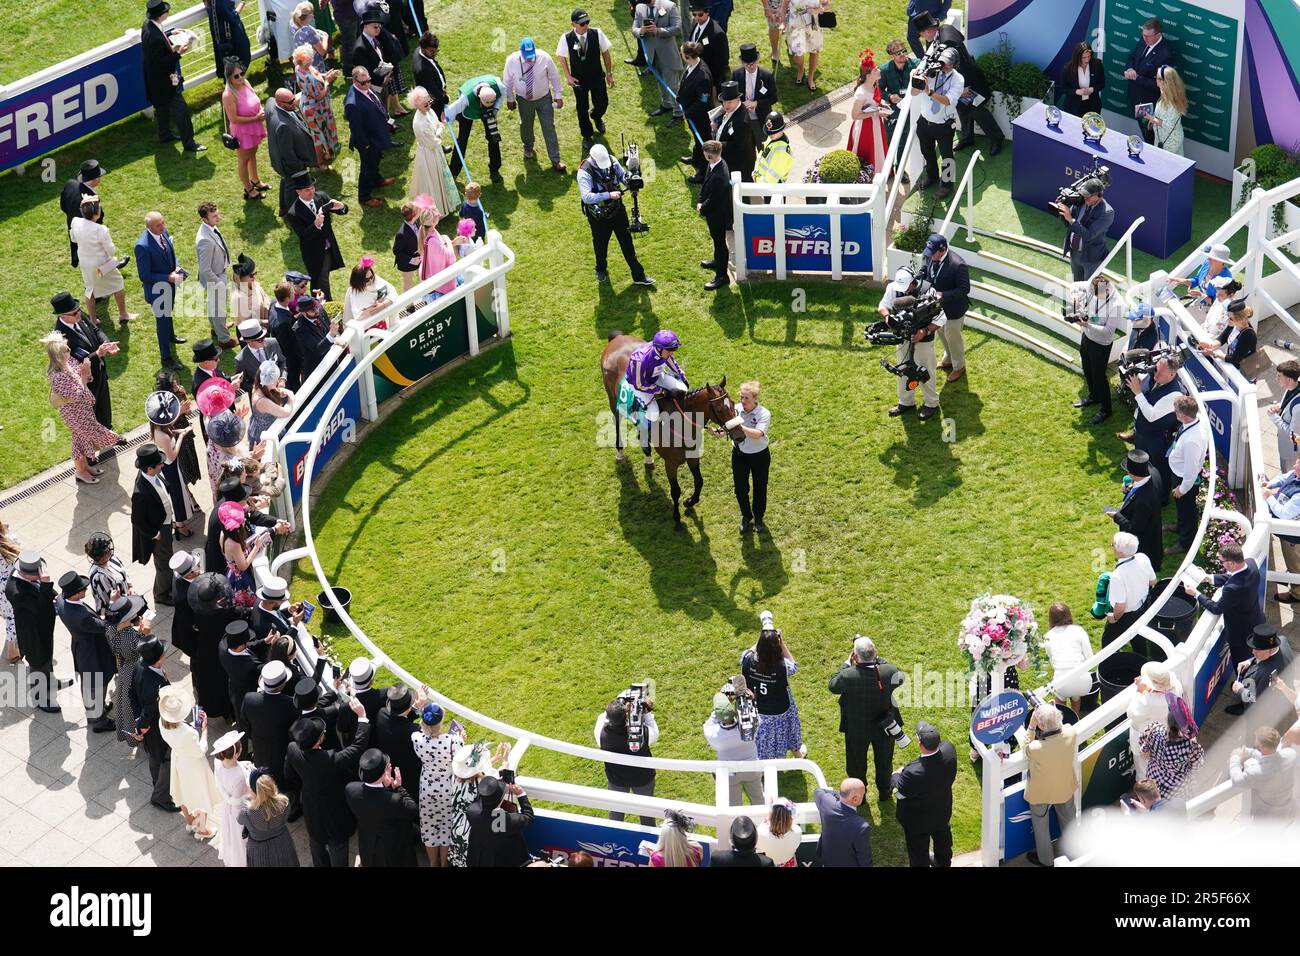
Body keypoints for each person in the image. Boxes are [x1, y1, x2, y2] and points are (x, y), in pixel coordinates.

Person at [286, 695, 370, 867]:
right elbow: (357, 748)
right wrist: (362, 718)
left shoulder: (292, 748)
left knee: (316, 844)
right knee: (338, 847)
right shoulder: (329, 759)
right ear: (318, 741)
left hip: (311, 808)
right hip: (334, 813)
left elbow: (289, 775)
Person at [828, 635, 905, 798]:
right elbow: (901, 677)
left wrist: (847, 663)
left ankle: (858, 797)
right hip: (885, 726)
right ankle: (885, 792)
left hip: (857, 729)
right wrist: (877, 659)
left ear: (855, 656)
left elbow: (833, 685)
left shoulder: (847, 675)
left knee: (856, 764)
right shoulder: (889, 671)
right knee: (884, 761)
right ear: (875, 653)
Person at [43, 332, 121, 485]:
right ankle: (81, 470)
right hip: (73, 412)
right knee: (83, 437)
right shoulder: (57, 376)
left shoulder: (68, 361)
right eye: (66, 350)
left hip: (83, 408)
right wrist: (84, 378)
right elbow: (77, 394)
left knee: (79, 439)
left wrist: (86, 371)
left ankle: (83, 469)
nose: (70, 351)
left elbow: (79, 372)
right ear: (59, 356)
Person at [578, 145, 655, 286]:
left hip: (618, 210)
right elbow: (587, 197)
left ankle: (639, 275)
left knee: (627, 243)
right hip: (599, 216)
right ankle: (600, 269)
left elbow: (621, 176)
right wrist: (609, 195)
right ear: (593, 159)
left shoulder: (612, 160)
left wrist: (631, 183)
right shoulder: (584, 172)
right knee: (600, 244)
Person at [1184, 543, 1263, 669]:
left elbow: (1216, 608)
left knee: (1241, 664)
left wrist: (1196, 594)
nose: (1221, 564)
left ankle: (1241, 685)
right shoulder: (1251, 563)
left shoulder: (1232, 589)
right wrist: (1209, 578)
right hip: (1254, 620)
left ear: (1231, 563)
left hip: (1240, 633)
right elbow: (1233, 576)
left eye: (1222, 562)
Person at [159, 684, 223, 839]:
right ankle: (201, 830)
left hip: (178, 759)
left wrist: (193, 728)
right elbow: (201, 749)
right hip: (193, 764)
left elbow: (182, 734)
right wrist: (205, 730)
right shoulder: (187, 733)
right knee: (201, 794)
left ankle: (189, 821)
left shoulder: (161, 723)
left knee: (183, 792)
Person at [891, 721, 957, 867]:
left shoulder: (913, 772)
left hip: (917, 821)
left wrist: (896, 774)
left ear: (920, 744)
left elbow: (901, 787)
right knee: (943, 842)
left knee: (918, 853)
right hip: (942, 811)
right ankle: (943, 862)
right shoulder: (949, 750)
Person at [1120, 353, 1185, 505]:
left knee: (1159, 469)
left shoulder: (1175, 393)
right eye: (1155, 369)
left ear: (1172, 374)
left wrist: (1137, 392)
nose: (1155, 375)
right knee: (1140, 463)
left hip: (1158, 438)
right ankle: (1141, 489)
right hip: (1142, 432)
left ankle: (1161, 499)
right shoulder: (1153, 375)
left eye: (1160, 373)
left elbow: (1151, 415)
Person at [141, 0, 204, 151]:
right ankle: (189, 143)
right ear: (161, 15)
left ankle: (165, 135)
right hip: (165, 81)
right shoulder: (155, 36)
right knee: (181, 111)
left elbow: (159, 42)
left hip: (155, 81)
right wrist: (178, 53)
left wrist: (170, 33)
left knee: (162, 107)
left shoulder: (147, 26)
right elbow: (162, 61)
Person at [880, 265, 942, 420]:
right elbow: (883, 306)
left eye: (906, 286)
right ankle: (906, 402)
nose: (904, 290)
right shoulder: (893, 288)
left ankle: (931, 403)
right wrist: (889, 318)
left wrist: (924, 332)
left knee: (926, 371)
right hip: (903, 338)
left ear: (914, 282)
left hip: (924, 339)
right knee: (902, 369)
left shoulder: (930, 291)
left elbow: (942, 318)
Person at [51, 289, 118, 431]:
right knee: (92, 410)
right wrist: (98, 353)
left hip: (100, 370)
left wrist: (106, 343)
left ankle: (108, 430)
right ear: (62, 316)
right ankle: (96, 439)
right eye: (74, 313)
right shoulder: (60, 338)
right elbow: (73, 363)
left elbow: (96, 330)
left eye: (79, 309)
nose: (79, 314)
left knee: (104, 404)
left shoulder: (79, 316)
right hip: (85, 380)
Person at [502, 37, 568, 174]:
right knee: (526, 125)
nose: (529, 58)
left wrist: (558, 96)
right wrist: (510, 98)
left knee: (549, 127)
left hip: (544, 98)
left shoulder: (544, 57)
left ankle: (555, 159)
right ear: (520, 51)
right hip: (524, 100)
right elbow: (507, 82)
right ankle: (528, 147)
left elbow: (555, 77)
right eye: (526, 56)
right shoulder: (512, 61)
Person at [345, 748, 421, 866]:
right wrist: (397, 787)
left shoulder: (350, 789)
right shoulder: (393, 800)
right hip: (393, 852)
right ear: (384, 774)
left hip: (368, 847)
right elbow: (412, 809)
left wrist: (384, 784)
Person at [1024, 703, 1077, 866]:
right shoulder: (1071, 732)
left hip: (1041, 793)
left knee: (1041, 827)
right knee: (1069, 822)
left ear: (1041, 725)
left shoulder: (1035, 748)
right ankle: (1074, 854)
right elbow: (1061, 727)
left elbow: (1025, 747)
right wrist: (1051, 713)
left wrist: (1032, 726)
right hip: (1065, 787)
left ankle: (1046, 861)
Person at [409, 701, 461, 866]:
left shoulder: (417, 739)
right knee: (446, 826)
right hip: (447, 788)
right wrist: (461, 737)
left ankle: (433, 864)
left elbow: (418, 730)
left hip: (427, 788)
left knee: (429, 827)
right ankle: (443, 863)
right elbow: (460, 763)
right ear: (441, 722)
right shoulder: (454, 741)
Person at [7, 552, 61, 712]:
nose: (40, 576)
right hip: (33, 635)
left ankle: (50, 681)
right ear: (24, 573)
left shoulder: (26, 575)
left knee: (48, 657)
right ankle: (40, 698)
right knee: (39, 663)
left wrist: (53, 593)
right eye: (37, 574)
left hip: (42, 628)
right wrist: (45, 584)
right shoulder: (16, 592)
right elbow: (40, 609)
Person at [1068, 275, 1125, 425]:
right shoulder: (1094, 287)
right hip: (1087, 338)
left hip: (1101, 345)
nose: (1093, 297)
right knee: (1087, 369)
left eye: (1097, 295)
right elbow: (1074, 285)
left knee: (1099, 377)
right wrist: (1074, 297)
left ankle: (1106, 409)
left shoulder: (1117, 304)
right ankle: (1094, 396)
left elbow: (1108, 332)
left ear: (1107, 290)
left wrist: (1087, 325)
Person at [69, 199, 135, 328]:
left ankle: (93, 320)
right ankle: (123, 314)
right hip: (102, 265)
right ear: (97, 213)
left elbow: (73, 238)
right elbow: (111, 251)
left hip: (85, 263)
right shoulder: (101, 230)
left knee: (90, 289)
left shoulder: (75, 222)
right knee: (118, 283)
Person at [594, 696, 658, 826]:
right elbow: (654, 731)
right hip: (642, 779)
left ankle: (614, 839)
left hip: (616, 780)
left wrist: (619, 705)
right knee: (647, 814)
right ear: (626, 718)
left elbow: (602, 717)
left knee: (616, 814)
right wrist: (647, 713)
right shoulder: (643, 734)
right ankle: (650, 842)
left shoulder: (600, 734)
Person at [130, 639, 178, 810]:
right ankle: (161, 796)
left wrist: (137, 720)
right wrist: (141, 725)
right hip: (157, 726)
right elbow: (149, 711)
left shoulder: (138, 666)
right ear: (159, 658)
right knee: (164, 758)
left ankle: (158, 783)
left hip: (150, 724)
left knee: (154, 754)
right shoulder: (154, 686)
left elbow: (131, 694)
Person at [909, 46, 962, 199]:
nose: (944, 66)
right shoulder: (931, 72)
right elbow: (913, 93)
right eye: (943, 62)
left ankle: (947, 185)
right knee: (928, 152)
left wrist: (929, 92)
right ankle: (932, 177)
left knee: (947, 156)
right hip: (925, 122)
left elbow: (947, 101)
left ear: (955, 64)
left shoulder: (958, 79)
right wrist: (917, 79)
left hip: (944, 125)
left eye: (948, 64)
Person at [558, 10, 614, 151]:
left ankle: (596, 116)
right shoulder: (566, 38)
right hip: (579, 80)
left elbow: (606, 53)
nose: (586, 25)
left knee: (603, 103)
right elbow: (561, 56)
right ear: (573, 24)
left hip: (596, 76)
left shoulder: (597, 33)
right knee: (582, 109)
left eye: (587, 22)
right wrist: (568, 75)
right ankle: (587, 136)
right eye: (582, 23)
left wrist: (609, 73)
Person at [285, 171, 347, 299]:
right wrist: (316, 224)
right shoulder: (293, 213)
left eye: (312, 188)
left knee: (323, 278)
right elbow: (304, 236)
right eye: (307, 190)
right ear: (298, 191)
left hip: (328, 246)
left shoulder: (322, 197)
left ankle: (319, 305)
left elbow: (341, 210)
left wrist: (342, 207)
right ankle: (326, 307)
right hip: (313, 252)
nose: (311, 192)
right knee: (320, 281)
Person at [130, 443, 178, 605]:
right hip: (158, 531)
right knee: (164, 564)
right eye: (159, 464)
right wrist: (154, 534)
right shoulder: (140, 493)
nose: (162, 465)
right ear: (149, 469)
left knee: (168, 558)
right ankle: (161, 594)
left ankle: (168, 586)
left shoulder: (153, 476)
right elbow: (136, 520)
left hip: (165, 523)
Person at [449, 741, 510, 867]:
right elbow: (501, 787)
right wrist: (505, 762)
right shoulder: (483, 784)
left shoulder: (455, 779)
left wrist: (493, 759)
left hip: (456, 827)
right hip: (474, 831)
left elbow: (472, 772)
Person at [1109, 450, 1164, 586]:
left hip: (1144, 541)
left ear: (1132, 474)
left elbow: (1135, 528)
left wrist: (1117, 516)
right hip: (1152, 525)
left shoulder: (1144, 500)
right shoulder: (1153, 472)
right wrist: (1130, 487)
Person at [345, 66, 397, 207]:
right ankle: (364, 196)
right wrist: (366, 145)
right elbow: (356, 128)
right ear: (354, 82)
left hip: (376, 134)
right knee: (368, 168)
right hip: (368, 141)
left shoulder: (365, 88)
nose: (367, 84)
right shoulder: (352, 104)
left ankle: (377, 180)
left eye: (368, 80)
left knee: (376, 161)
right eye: (363, 82)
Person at [219, 60, 270, 202]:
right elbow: (233, 119)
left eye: (242, 73)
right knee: (243, 159)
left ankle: (255, 181)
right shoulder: (228, 95)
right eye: (236, 76)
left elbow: (256, 100)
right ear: (229, 78)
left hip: (254, 125)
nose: (240, 77)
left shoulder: (245, 83)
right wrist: (255, 118)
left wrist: (259, 111)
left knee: (252, 155)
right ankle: (248, 189)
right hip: (243, 131)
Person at [623, 329, 688, 439]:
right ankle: (644, 431)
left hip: (656, 376)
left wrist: (681, 374)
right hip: (639, 385)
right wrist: (660, 391)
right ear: (659, 348)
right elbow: (639, 385)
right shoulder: (639, 360)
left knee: (683, 389)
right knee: (653, 414)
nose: (671, 353)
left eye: (672, 350)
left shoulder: (664, 352)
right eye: (669, 351)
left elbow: (670, 360)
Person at [702, 692, 764, 806]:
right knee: (759, 800)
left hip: (730, 774)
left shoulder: (713, 734)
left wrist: (723, 707)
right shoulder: (750, 727)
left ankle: (738, 824)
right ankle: (762, 822)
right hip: (753, 769)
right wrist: (748, 702)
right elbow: (757, 717)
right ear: (734, 711)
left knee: (734, 804)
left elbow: (708, 723)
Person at [922, 232, 969, 380]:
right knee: (941, 333)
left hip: (954, 310)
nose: (930, 256)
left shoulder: (958, 264)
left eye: (933, 253)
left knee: (952, 337)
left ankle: (959, 366)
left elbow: (964, 289)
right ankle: (948, 359)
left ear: (943, 250)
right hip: (938, 307)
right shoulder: (931, 256)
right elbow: (927, 269)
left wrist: (943, 295)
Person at [265, 89, 319, 217]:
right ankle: (292, 213)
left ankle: (283, 208)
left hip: (280, 160)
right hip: (291, 163)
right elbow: (287, 153)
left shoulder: (271, 103)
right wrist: (299, 165)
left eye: (293, 99)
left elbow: (269, 103)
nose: (294, 103)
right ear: (279, 102)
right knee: (292, 186)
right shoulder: (283, 126)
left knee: (286, 180)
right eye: (290, 102)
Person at [1166, 396, 1208, 555]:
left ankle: (1185, 543)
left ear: (1184, 415)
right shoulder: (1194, 421)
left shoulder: (1192, 441)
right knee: (1182, 508)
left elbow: (1190, 472)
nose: (1174, 412)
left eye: (1176, 410)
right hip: (1179, 473)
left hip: (1184, 480)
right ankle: (1180, 526)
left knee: (1187, 510)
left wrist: (1182, 489)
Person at [408, 87, 459, 218]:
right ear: (417, 105)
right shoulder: (419, 123)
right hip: (428, 154)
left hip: (434, 151)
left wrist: (439, 126)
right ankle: (435, 211)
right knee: (432, 180)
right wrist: (441, 127)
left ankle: (445, 203)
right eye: (426, 104)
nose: (429, 105)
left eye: (429, 102)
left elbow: (436, 124)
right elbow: (433, 142)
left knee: (441, 176)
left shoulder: (428, 111)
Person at [729, 381, 772, 535]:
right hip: (739, 455)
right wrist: (718, 432)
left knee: (760, 488)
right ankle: (746, 516)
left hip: (759, 455)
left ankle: (759, 518)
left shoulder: (764, 414)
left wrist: (738, 426)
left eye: (746, 398)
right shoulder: (735, 410)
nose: (743, 401)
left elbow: (758, 434)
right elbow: (728, 430)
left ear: (755, 398)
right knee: (740, 489)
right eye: (741, 397)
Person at [446, 75, 506, 183]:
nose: (488, 105)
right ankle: (454, 171)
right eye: (486, 104)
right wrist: (447, 120)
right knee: (462, 140)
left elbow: (502, 95)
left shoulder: (499, 86)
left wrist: (495, 109)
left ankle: (494, 169)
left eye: (491, 103)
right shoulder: (465, 99)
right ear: (479, 97)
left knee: (493, 137)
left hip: (489, 113)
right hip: (468, 112)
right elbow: (451, 112)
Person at [1139, 699, 1203, 799]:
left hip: (1154, 778)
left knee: (1156, 804)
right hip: (1177, 787)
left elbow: (1143, 753)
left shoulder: (1153, 729)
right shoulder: (1190, 744)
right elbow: (1198, 765)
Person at [466, 774, 535, 867]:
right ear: (501, 799)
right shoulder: (502, 820)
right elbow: (529, 816)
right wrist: (521, 794)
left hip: (478, 860)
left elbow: (482, 801)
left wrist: (492, 788)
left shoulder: (472, 810)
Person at [1228, 623, 1294, 720]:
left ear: (1271, 650)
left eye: (1257, 650)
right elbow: (1265, 655)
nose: (1253, 652)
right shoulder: (1282, 640)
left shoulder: (1267, 674)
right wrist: (1249, 661)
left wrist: (1240, 690)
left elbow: (1256, 703)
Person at [1230, 727, 1296, 822]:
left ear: (1261, 746)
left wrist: (1235, 758)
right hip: (1287, 810)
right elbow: (1272, 758)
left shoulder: (1256, 772)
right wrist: (1250, 752)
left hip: (1267, 817)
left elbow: (1237, 780)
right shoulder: (1291, 754)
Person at [1124, 18, 1174, 144]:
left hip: (1149, 105)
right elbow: (1132, 57)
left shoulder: (1165, 54)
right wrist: (1130, 68)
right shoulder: (1144, 40)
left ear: (1158, 35)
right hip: (1135, 98)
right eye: (1143, 35)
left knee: (1150, 137)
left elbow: (1159, 85)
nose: (1144, 39)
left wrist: (1137, 78)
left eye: (1148, 36)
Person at [1055, 179, 1113, 283]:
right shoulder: (1082, 202)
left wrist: (1070, 219)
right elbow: (1068, 224)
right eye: (1084, 195)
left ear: (1099, 195)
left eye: (1088, 196)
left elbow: (1089, 235)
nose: (1085, 198)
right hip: (1074, 252)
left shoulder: (1107, 212)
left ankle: (1098, 299)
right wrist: (1062, 211)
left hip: (1091, 257)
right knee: (1077, 286)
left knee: (1091, 287)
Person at [1128, 661, 1179, 778]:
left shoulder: (1146, 701)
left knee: (1143, 770)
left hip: (1146, 741)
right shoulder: (1175, 689)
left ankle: (1145, 794)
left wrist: (1139, 692)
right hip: (1167, 737)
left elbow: (1131, 713)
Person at [352, 6, 407, 115]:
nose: (378, 29)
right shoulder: (360, 48)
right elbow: (364, 72)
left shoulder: (373, 38)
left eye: (380, 26)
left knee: (384, 106)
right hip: (373, 85)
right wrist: (382, 79)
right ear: (365, 26)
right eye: (375, 27)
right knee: (379, 109)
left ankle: (388, 122)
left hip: (382, 82)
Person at [294, 47, 343, 170]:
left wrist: (326, 74)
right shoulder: (305, 77)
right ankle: (320, 163)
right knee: (317, 137)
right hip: (313, 110)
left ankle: (326, 155)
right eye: (308, 61)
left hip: (319, 107)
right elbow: (318, 96)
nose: (311, 63)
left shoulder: (300, 67)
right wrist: (327, 82)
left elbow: (315, 74)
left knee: (323, 131)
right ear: (301, 62)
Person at [239, 769, 301, 866]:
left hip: (259, 851)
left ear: (254, 791)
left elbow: (239, 820)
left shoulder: (247, 813)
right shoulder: (284, 803)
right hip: (283, 843)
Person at [195, 202, 235, 348]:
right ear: (205, 219)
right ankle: (224, 339)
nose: (218, 218)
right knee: (219, 307)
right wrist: (219, 282)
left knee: (214, 304)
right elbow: (205, 269)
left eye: (218, 214)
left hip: (218, 273)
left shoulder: (210, 227)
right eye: (214, 216)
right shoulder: (205, 240)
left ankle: (217, 327)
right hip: (215, 276)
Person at [1043, 602, 1094, 714]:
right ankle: (1075, 719)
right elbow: (1090, 658)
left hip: (1062, 682)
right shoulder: (1079, 630)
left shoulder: (1047, 636)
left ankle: (1063, 722)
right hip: (1084, 682)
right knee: (1075, 694)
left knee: (1060, 696)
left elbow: (1052, 660)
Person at [698, 140, 733, 290]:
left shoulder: (719, 175)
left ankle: (722, 276)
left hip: (718, 215)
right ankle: (717, 261)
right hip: (714, 212)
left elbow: (714, 199)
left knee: (720, 243)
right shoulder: (716, 163)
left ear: (709, 156)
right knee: (716, 240)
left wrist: (701, 208)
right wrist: (700, 199)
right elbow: (706, 185)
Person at [812, 779, 871, 866]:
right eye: (863, 794)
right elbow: (864, 858)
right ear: (855, 799)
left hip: (826, 858)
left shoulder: (826, 802)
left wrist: (841, 795)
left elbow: (818, 791)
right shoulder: (861, 827)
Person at [846, 51, 888, 173]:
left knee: (877, 149)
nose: (879, 70)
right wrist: (876, 113)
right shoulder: (861, 93)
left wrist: (882, 103)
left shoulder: (874, 84)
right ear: (869, 75)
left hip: (875, 123)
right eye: (875, 70)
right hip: (865, 128)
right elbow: (855, 116)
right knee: (867, 152)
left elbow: (876, 98)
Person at [676, 43, 713, 176]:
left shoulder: (702, 76)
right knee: (697, 140)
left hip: (700, 117)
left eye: (681, 53)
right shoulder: (693, 64)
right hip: (692, 113)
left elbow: (703, 102)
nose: (680, 55)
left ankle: (702, 172)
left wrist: (688, 113)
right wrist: (680, 97)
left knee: (703, 141)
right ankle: (695, 159)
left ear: (687, 57)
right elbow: (685, 81)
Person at [61, 159, 105, 268]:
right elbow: (97, 220)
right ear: (95, 179)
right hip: (87, 233)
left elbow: (63, 205)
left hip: (72, 225)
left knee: (74, 243)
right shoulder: (91, 199)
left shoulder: (70, 184)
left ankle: (75, 259)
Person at [731, 43, 777, 145]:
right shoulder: (736, 74)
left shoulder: (767, 76)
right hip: (742, 116)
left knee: (761, 141)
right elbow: (733, 96)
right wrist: (742, 104)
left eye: (753, 63)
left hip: (760, 116)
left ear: (757, 61)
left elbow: (774, 98)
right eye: (747, 64)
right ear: (742, 63)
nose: (751, 67)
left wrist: (756, 103)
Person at [712, 81, 755, 183]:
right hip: (731, 160)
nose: (726, 105)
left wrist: (717, 145)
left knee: (740, 194)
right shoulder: (733, 110)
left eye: (729, 102)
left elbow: (737, 146)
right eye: (724, 102)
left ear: (738, 99)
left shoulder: (742, 121)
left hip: (739, 166)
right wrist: (717, 127)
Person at [1169, 243, 1234, 310]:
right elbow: (1197, 280)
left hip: (1210, 309)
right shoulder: (1207, 263)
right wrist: (1185, 281)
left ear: (1221, 261)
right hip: (1199, 302)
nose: (1208, 259)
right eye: (1209, 256)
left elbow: (1217, 303)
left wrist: (1200, 295)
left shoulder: (1226, 278)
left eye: (1212, 258)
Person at [293, 295, 344, 378]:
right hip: (318, 372)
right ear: (303, 313)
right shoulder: (299, 329)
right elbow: (316, 351)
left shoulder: (320, 311)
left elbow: (326, 331)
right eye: (312, 310)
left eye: (316, 307)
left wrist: (335, 338)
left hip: (332, 363)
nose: (317, 311)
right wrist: (331, 335)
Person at [685, 1, 728, 97]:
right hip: (696, 74)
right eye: (694, 14)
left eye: (700, 14)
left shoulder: (717, 34)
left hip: (709, 79)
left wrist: (714, 84)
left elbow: (722, 63)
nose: (696, 18)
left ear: (707, 12)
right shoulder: (695, 25)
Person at [247, 362, 296, 447]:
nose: (277, 381)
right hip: (267, 435)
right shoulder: (262, 401)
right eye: (276, 379)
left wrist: (278, 393)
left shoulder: (257, 385)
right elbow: (285, 412)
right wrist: (291, 399)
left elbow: (268, 394)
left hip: (259, 426)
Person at [341, 258, 399, 326]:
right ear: (358, 280)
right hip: (366, 328)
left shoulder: (376, 280)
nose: (371, 281)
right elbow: (358, 316)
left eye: (372, 277)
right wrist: (372, 309)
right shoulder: (354, 293)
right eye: (367, 280)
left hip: (382, 321)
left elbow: (392, 291)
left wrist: (383, 305)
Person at [1199, 302, 1256, 369]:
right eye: (1228, 317)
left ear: (1241, 319)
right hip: (1232, 363)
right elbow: (1223, 338)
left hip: (1243, 369)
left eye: (1231, 318)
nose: (1228, 320)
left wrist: (1214, 353)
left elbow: (1235, 359)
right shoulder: (1234, 324)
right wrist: (1211, 346)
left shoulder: (1247, 335)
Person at [784, 0, 826, 90]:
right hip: (795, 25)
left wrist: (817, 10)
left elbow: (827, 4)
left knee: (814, 51)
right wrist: (782, 22)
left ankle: (810, 77)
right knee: (797, 53)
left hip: (814, 25)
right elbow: (785, 3)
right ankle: (801, 70)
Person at [235, 319, 286, 392]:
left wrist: (282, 379)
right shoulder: (241, 360)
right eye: (260, 340)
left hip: (281, 390)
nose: (264, 340)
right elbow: (242, 382)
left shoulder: (273, 343)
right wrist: (259, 389)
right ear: (249, 341)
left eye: (264, 336)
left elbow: (282, 362)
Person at [1059, 40, 1105, 117]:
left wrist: (1092, 89)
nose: (1087, 60)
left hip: (1093, 106)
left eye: (1089, 56)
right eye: (1083, 58)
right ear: (1077, 57)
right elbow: (1063, 88)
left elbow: (1102, 84)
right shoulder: (1068, 68)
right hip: (1073, 107)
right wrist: (1077, 91)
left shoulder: (1097, 64)